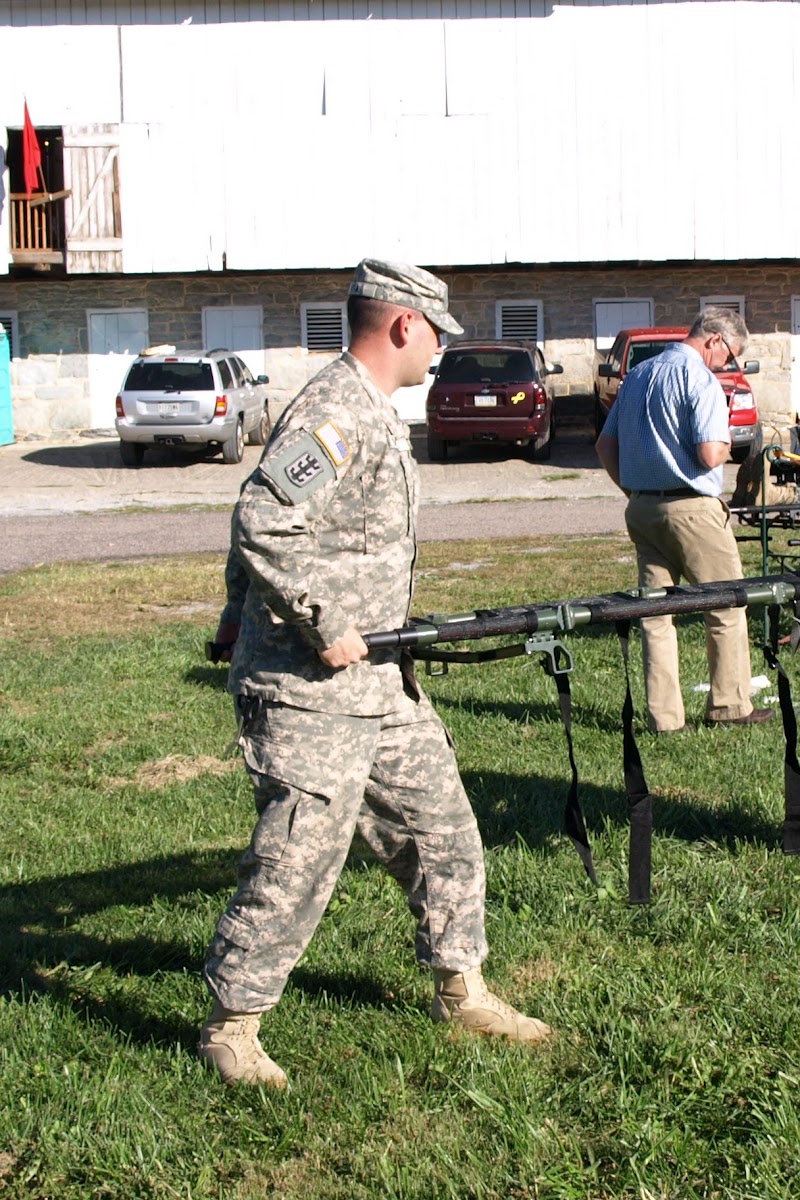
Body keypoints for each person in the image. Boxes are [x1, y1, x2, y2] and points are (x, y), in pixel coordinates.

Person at [199, 260, 551, 1088]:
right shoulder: (336, 411)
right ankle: (232, 1025)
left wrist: (235, 610)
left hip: (379, 679)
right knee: (298, 857)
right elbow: (264, 517)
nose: (439, 351)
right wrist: (322, 623)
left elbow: (263, 514)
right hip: (308, 687)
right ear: (403, 325)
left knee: (442, 826)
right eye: (436, 334)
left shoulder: (369, 409)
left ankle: (460, 988)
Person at [595, 307, 772, 733]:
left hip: (643, 509)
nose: (728, 364)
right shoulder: (701, 379)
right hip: (693, 509)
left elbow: (605, 446)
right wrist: (728, 441)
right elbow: (710, 454)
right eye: (730, 355)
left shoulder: (637, 375)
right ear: (714, 339)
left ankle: (665, 719)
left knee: (656, 615)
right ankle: (730, 706)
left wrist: (635, 491)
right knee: (726, 604)